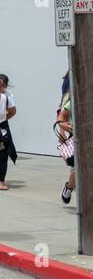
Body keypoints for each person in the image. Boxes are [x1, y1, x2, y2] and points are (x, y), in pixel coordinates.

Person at [58, 74, 75, 204]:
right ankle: (69, 187)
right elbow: (61, 118)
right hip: (77, 137)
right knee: (76, 169)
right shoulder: (72, 101)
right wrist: (62, 128)